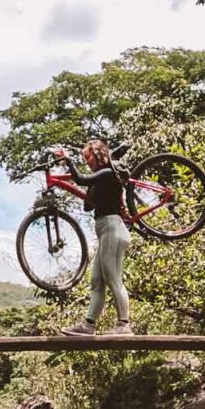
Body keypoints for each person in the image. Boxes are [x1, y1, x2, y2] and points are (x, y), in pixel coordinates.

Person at [57, 140, 133, 336]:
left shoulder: (109, 173)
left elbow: (81, 179)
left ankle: (124, 325)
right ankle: (89, 325)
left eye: (88, 157)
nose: (86, 161)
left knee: (112, 277)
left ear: (98, 154)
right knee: (97, 280)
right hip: (105, 231)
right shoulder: (101, 179)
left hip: (112, 229)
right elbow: (88, 204)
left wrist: (68, 162)